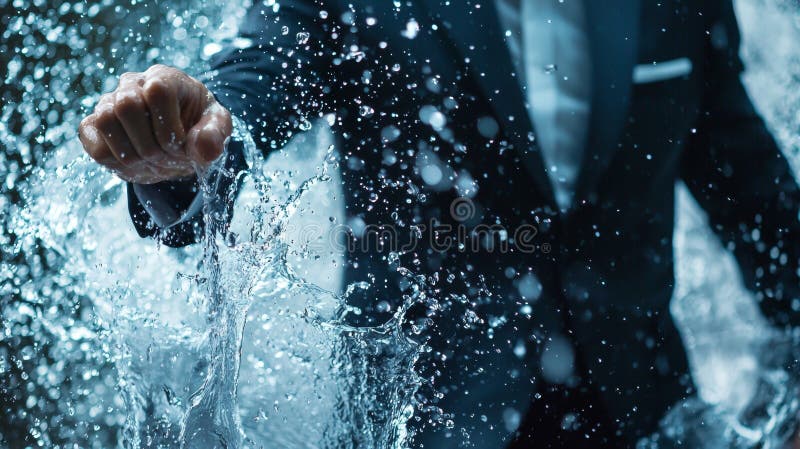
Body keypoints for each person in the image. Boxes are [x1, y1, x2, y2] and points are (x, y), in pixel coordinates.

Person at [78, 0, 800, 447]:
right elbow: (242, 97)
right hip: (428, 427)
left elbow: (765, 211)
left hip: (648, 420)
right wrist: (179, 151)